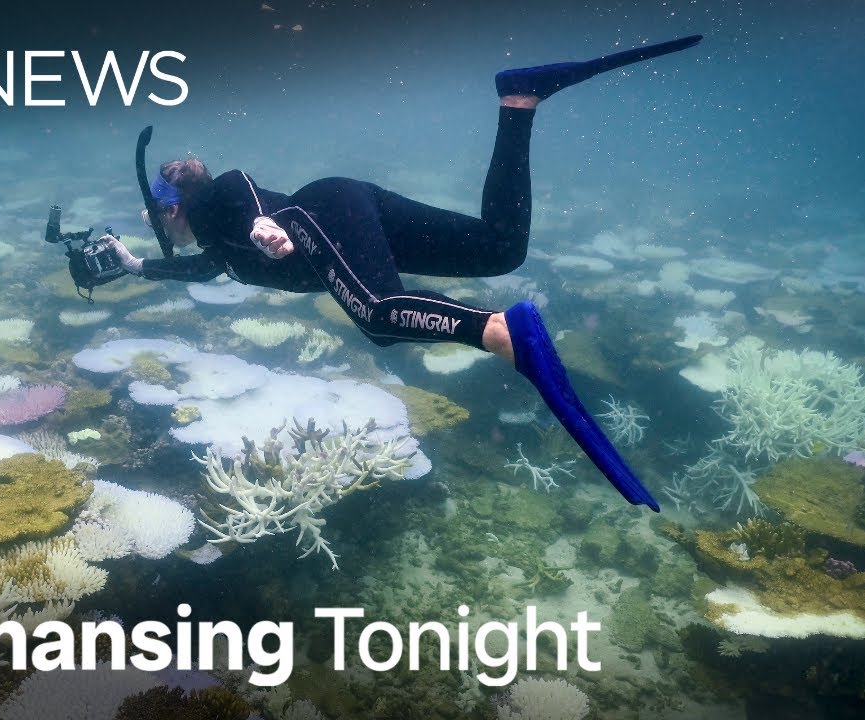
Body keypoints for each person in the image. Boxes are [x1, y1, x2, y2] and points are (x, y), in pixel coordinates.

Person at [95, 35, 703, 511]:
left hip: (319, 212)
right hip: (346, 206)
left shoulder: (222, 203)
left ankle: (497, 332)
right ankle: (519, 102)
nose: (163, 234)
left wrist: (264, 225)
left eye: (157, 225)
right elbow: (203, 269)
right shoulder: (214, 246)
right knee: (498, 251)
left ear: (168, 209)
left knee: (379, 315)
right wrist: (134, 266)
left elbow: (241, 188)